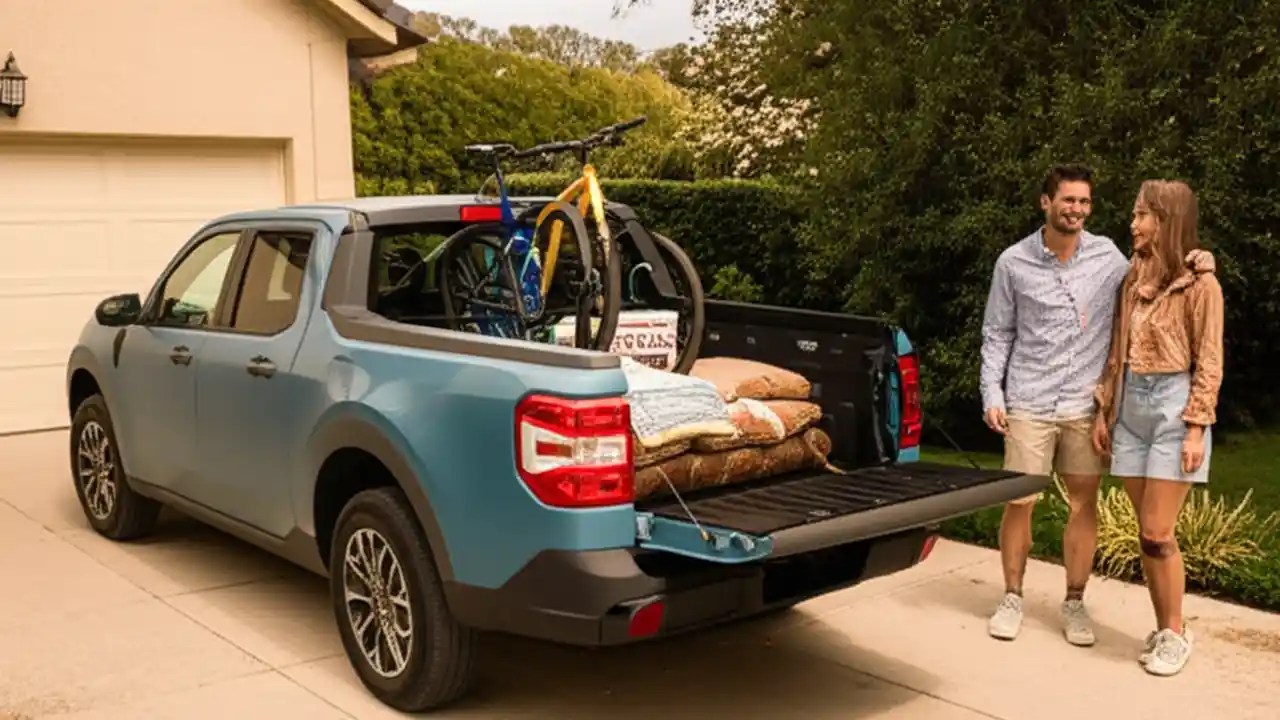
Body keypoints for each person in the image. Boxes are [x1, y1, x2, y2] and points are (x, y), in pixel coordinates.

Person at [979, 164, 1213, 647]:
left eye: (1085, 202)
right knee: (1020, 500)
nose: (1077, 210)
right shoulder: (1012, 263)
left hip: (1085, 405)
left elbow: (1166, 274)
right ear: (1046, 202)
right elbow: (997, 333)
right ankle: (1012, 597)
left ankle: (1074, 601)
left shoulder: (1109, 257)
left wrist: (1197, 260)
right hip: (1030, 399)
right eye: (1068, 200)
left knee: (1085, 503)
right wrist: (992, 392)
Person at [1091, 179, 1223, 677]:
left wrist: (1195, 428)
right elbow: (1116, 349)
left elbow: (1209, 360)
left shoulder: (1201, 284)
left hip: (1173, 408)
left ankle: (1175, 630)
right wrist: (1105, 411)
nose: (1134, 223)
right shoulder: (1131, 279)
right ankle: (1163, 625)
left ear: (1165, 222)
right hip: (1130, 407)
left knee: (1157, 530)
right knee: (1147, 538)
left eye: (1142, 215)